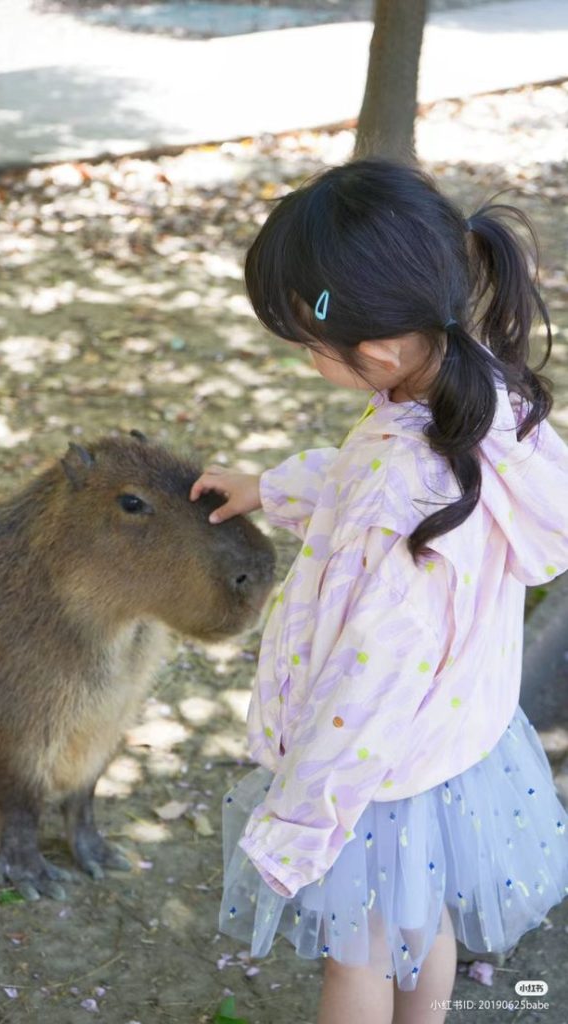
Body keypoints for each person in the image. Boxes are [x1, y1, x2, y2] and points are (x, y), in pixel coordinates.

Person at [189, 158, 568, 1024]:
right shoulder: (470, 387)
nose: (304, 355)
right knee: (421, 915)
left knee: (355, 960)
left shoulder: (405, 489)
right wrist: (270, 486)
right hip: (449, 745)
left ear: (379, 352)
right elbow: (363, 480)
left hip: (374, 771)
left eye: (308, 341)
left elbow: (372, 676)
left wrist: (302, 817)